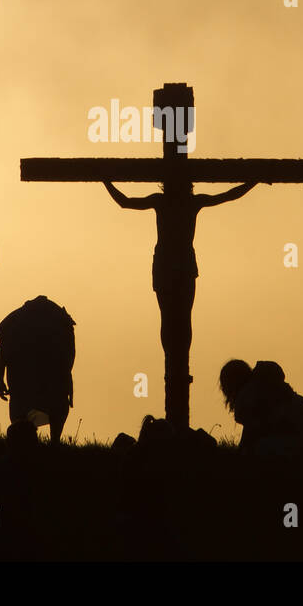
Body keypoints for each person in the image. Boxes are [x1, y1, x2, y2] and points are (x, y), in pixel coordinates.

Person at [105, 179, 255, 426]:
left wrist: (104, 179)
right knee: (181, 317)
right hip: (178, 263)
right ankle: (175, 368)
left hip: (171, 263)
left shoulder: (163, 201)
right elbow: (229, 195)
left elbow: (124, 202)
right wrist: (254, 181)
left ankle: (177, 367)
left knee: (174, 318)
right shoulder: (188, 201)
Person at [0, 295, 76, 443]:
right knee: (56, 409)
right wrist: (68, 384)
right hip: (47, 383)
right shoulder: (60, 323)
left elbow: (1, 355)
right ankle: (52, 443)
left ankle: (30, 444)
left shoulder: (15, 323)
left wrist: (0, 381)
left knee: (22, 415)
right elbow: (69, 358)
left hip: (28, 383)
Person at [218, 359, 303, 454]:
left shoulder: (246, 396)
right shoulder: (260, 386)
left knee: (257, 449)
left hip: (299, 433)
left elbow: (249, 434)